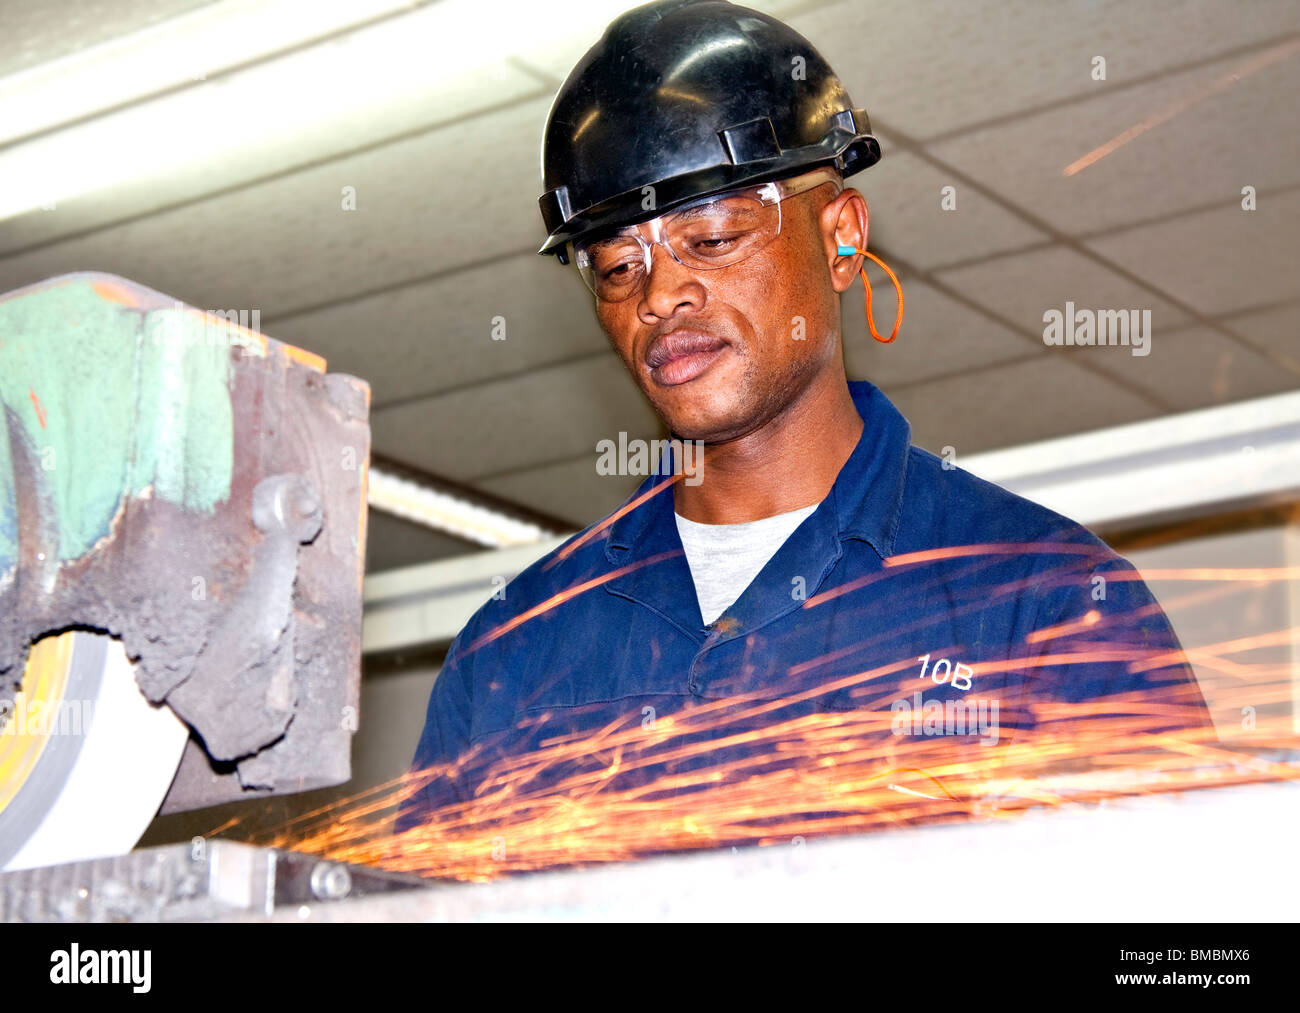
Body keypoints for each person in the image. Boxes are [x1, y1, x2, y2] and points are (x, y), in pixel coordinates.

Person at [398, 0, 1210, 840]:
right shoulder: (512, 651)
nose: (660, 295)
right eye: (615, 267)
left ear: (842, 240)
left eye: (712, 237)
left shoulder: (1048, 605)